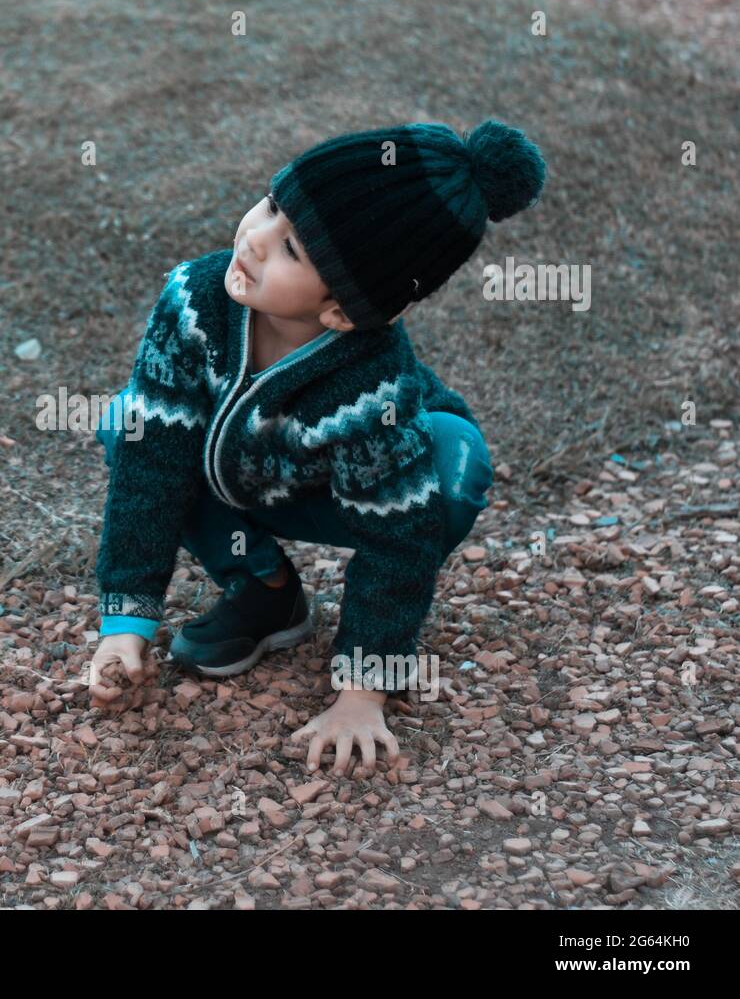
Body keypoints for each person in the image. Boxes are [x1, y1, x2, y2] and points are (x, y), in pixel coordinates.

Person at [87, 119, 546, 777]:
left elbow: (399, 537)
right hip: (247, 469)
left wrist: (363, 692)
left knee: (447, 475)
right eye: (273, 205)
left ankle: (374, 633)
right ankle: (266, 589)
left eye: (292, 250)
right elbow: (152, 463)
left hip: (362, 486)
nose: (255, 237)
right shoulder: (193, 302)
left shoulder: (369, 386)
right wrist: (125, 628)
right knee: (131, 426)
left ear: (340, 311)